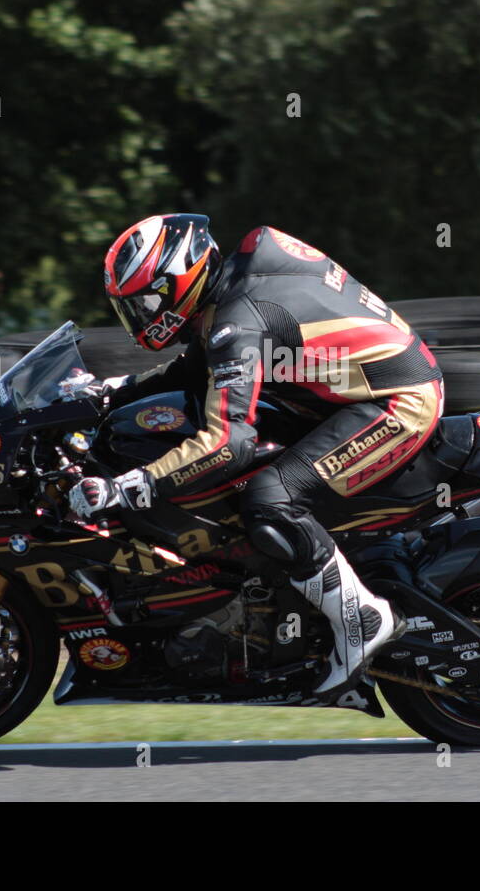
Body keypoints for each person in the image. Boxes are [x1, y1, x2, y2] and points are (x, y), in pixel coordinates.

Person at [64, 213, 444, 697]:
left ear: (177, 282)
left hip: (397, 400)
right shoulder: (233, 287)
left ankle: (363, 619)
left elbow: (227, 443)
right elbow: (199, 364)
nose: (138, 317)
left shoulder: (237, 320)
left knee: (268, 497)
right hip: (348, 391)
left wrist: (132, 485)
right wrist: (111, 392)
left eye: (144, 302)